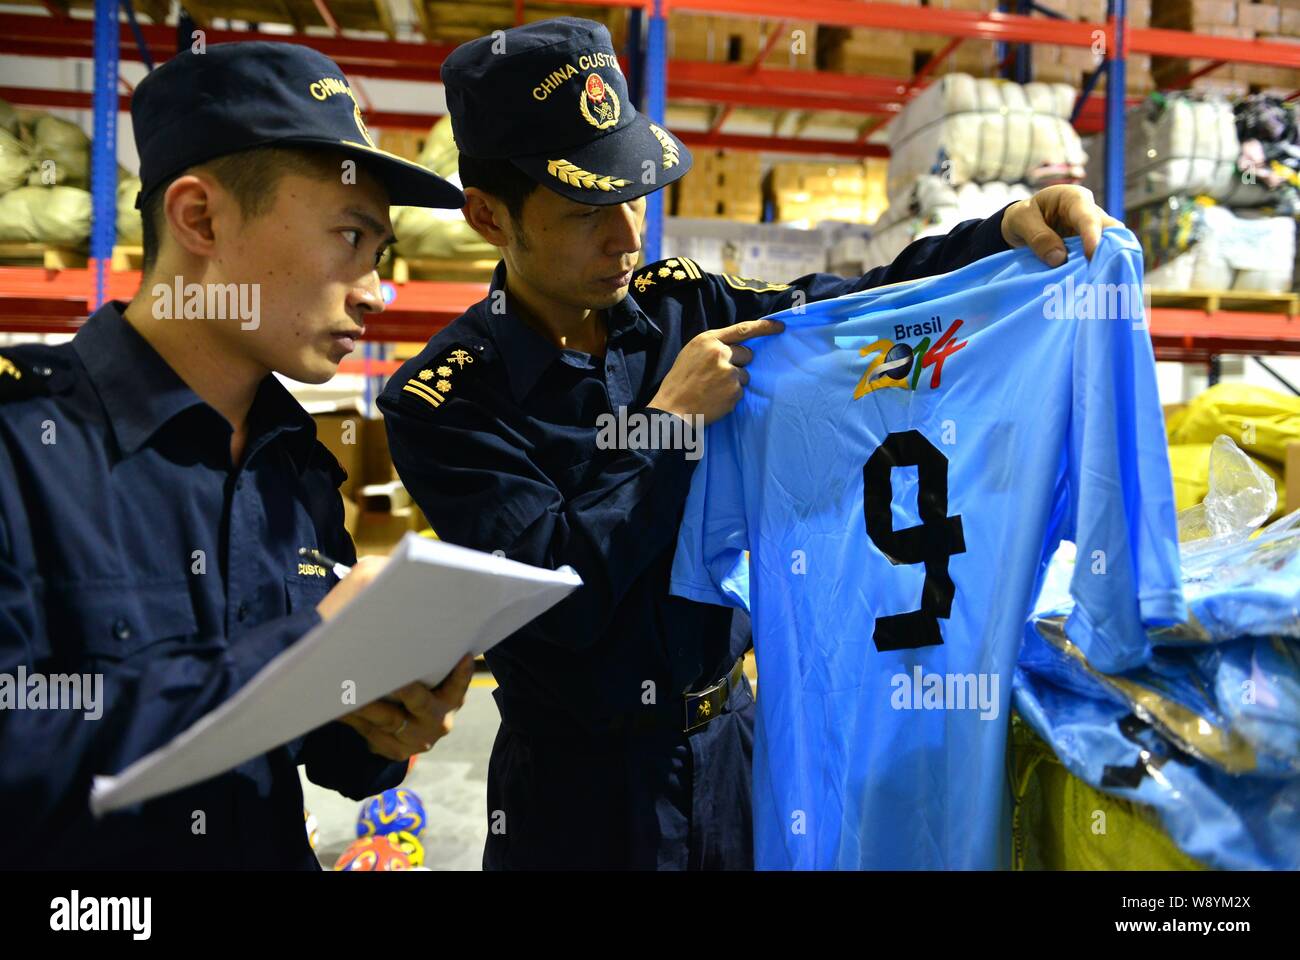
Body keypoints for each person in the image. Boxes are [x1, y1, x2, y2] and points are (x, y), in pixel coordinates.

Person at [378, 17, 1124, 870]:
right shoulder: (447, 397)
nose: (628, 237)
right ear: (487, 216)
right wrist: (668, 427)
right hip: (577, 794)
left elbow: (853, 309)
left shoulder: (687, 307)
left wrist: (1001, 233)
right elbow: (556, 594)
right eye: (589, 210)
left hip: (736, 757)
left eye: (633, 196)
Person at [0, 41, 474, 869]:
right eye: (350, 236)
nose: (375, 289)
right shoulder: (23, 446)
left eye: (382, 254)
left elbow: (331, 760)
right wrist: (292, 664)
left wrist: (388, 717)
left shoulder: (296, 465)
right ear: (201, 218)